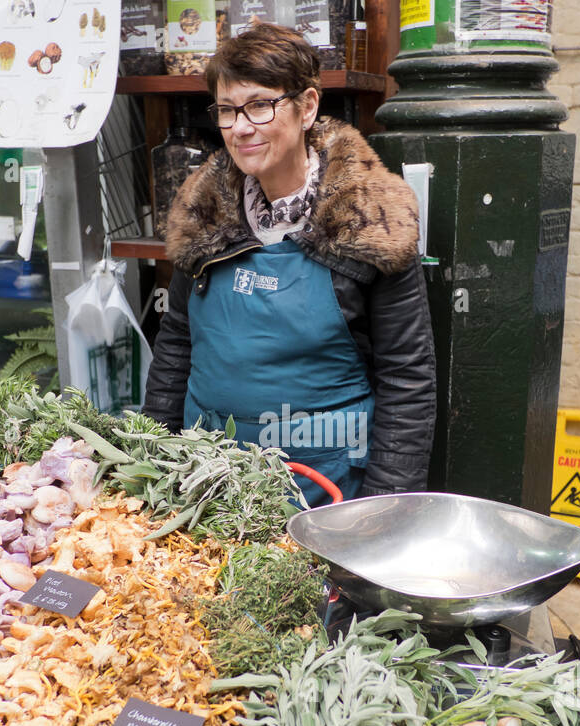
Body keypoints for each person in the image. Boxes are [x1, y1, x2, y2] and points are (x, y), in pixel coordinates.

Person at [142, 22, 436, 506]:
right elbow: (176, 347)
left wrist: (384, 511)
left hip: (325, 490)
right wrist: (152, 464)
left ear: (307, 107)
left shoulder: (370, 222)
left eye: (259, 105)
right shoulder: (203, 217)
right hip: (208, 482)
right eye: (227, 110)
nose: (240, 127)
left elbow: (407, 380)